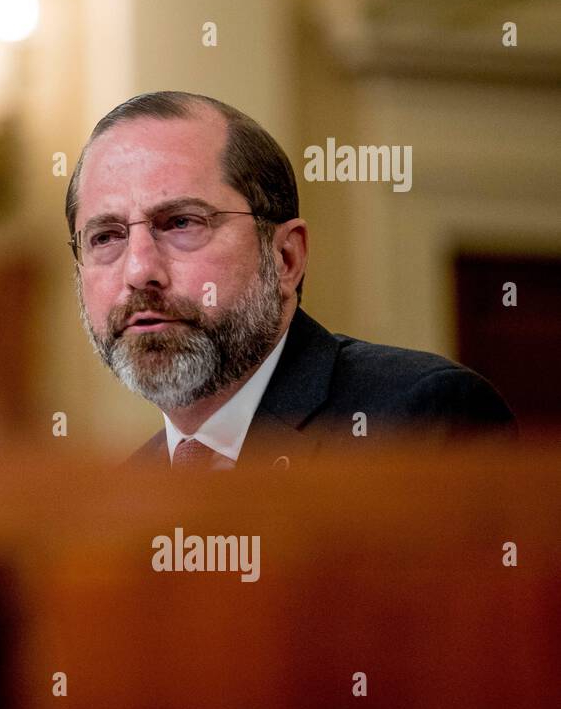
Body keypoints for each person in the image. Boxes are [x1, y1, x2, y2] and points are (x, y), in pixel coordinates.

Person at [66, 91, 516, 471]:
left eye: (181, 222)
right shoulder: (129, 484)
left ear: (285, 257)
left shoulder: (415, 420)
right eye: (106, 237)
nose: (139, 270)